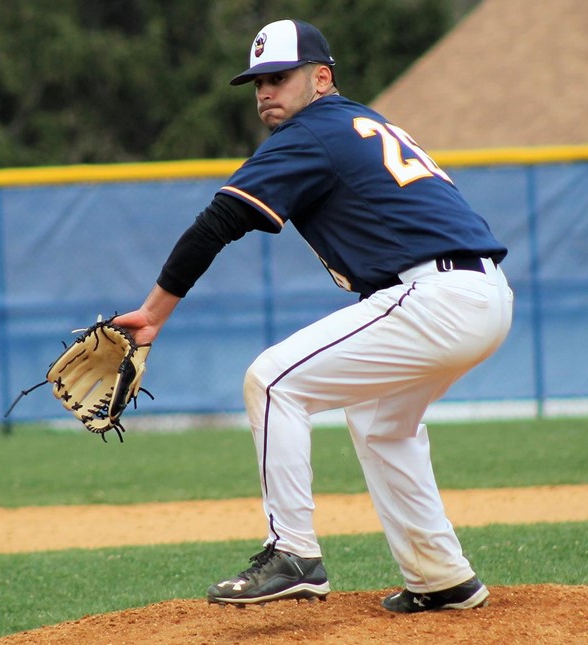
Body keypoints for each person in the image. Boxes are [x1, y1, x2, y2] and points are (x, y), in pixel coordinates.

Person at [113, 18, 513, 613]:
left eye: (279, 77)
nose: (264, 92)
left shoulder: (310, 135)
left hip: (437, 297)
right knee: (381, 425)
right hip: (479, 294)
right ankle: (441, 577)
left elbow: (218, 222)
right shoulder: (362, 122)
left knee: (272, 380)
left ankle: (293, 552)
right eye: (257, 82)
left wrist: (153, 313)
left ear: (321, 78)